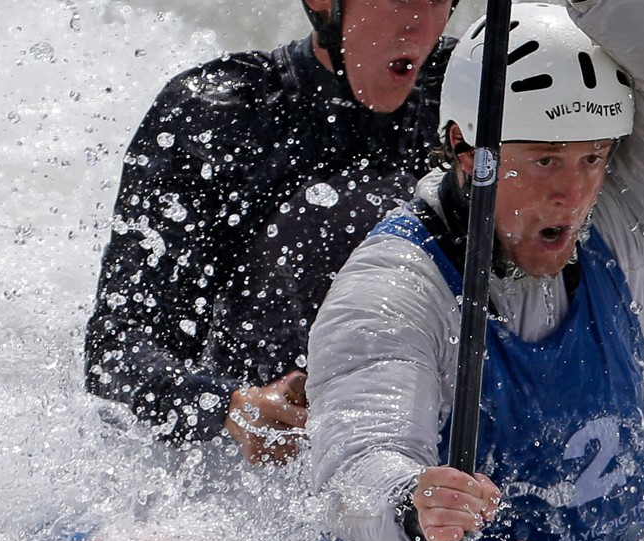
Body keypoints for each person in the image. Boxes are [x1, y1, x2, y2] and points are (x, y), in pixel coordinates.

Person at [305, 0, 644, 541]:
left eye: (592, 158)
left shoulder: (622, 225)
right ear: (462, 148)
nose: (572, 193)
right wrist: (411, 503)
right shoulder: (391, 286)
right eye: (544, 160)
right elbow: (354, 465)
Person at [83, 0, 458, 464]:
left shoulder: (475, 95)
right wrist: (229, 405)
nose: (421, 22)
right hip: (248, 468)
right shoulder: (218, 113)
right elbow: (115, 349)